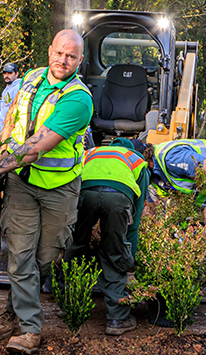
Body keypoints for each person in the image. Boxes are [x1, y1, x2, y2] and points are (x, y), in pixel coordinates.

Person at [0, 29, 93, 355]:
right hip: (21, 184)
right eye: (59, 53)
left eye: (71, 56)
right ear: (50, 50)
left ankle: (14, 307)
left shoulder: (79, 99)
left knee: (45, 258)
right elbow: (13, 122)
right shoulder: (31, 79)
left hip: (59, 188)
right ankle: (30, 330)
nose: (63, 61)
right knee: (20, 256)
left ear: (79, 60)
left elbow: (37, 146)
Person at [63, 138, 150, 335]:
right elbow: (134, 223)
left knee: (75, 243)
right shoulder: (137, 160)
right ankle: (117, 319)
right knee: (113, 252)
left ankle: (66, 301)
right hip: (119, 197)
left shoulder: (92, 152)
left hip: (85, 192)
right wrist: (129, 259)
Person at [0, 63, 21, 133]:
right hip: (2, 128)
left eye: (10, 73)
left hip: (9, 131)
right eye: (4, 73)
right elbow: (4, 106)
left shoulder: (17, 87)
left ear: (16, 74)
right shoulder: (7, 88)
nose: (6, 75)